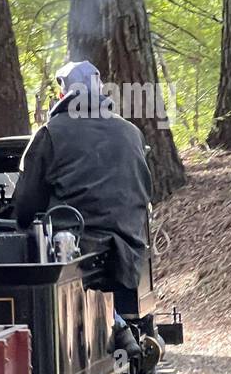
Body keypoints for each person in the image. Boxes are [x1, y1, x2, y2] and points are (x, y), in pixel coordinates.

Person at [13, 61, 152, 356]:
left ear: (63, 93)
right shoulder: (131, 132)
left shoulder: (50, 133)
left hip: (79, 247)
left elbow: (24, 207)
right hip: (129, 245)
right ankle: (115, 322)